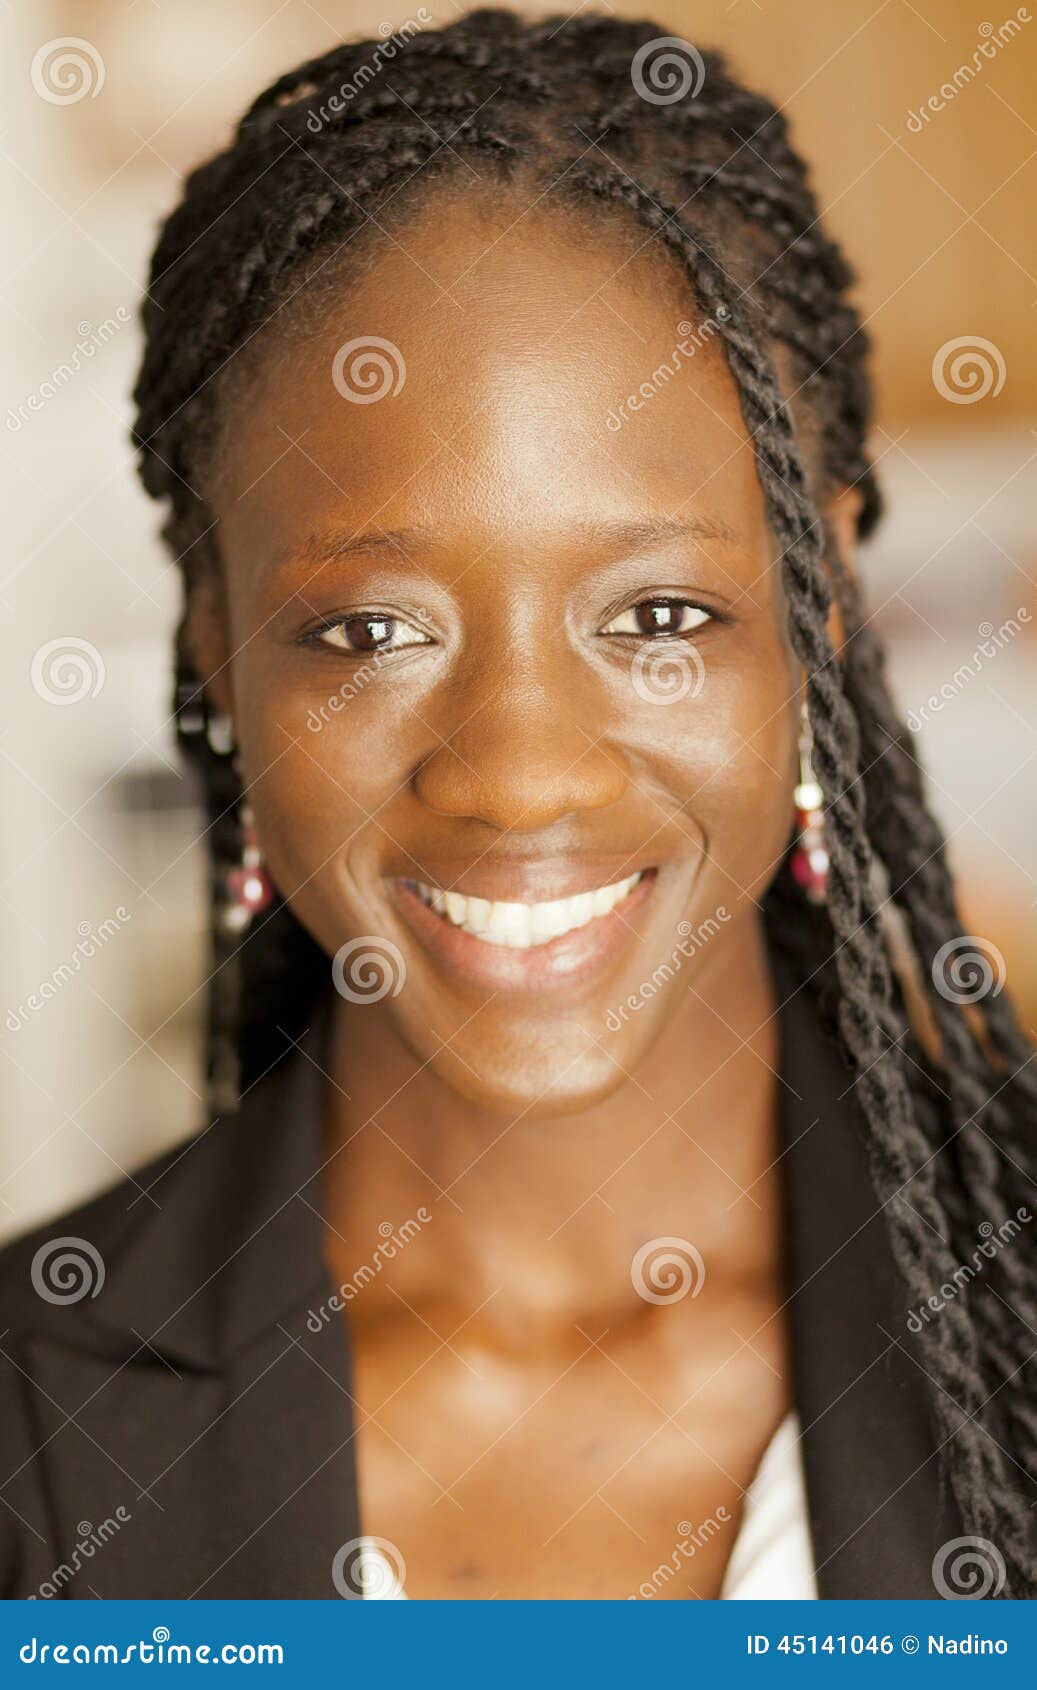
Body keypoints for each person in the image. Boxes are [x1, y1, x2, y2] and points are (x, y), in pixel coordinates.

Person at [1, 8, 1034, 1601]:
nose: (518, 772)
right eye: (367, 631)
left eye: (657, 616)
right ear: (217, 652)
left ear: (817, 603)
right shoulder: (30, 1434)